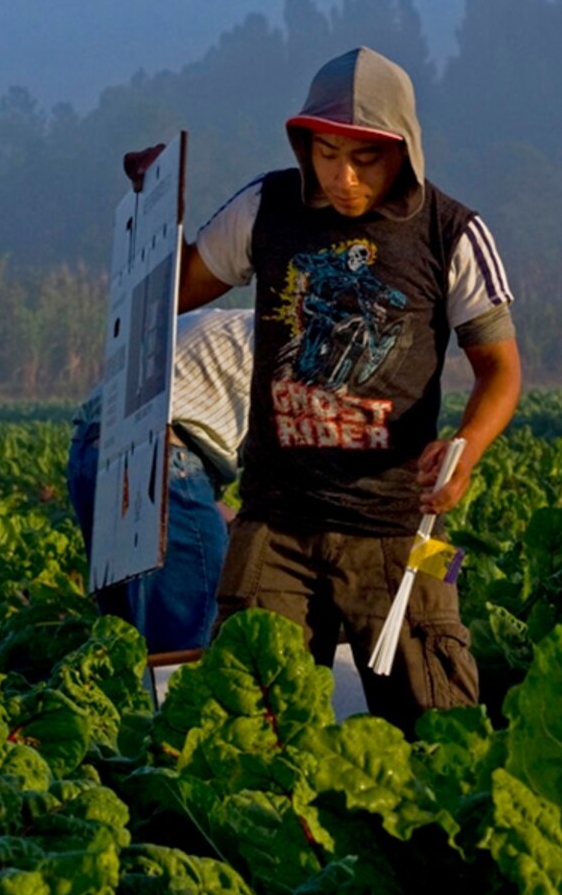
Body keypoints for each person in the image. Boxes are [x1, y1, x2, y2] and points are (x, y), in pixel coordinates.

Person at [176, 44, 522, 728]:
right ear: (305, 144)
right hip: (276, 522)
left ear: (404, 149)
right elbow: (172, 290)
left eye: (364, 159)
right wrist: (149, 221)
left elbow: (501, 370)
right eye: (327, 154)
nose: (343, 178)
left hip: (399, 525)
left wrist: (467, 448)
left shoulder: (450, 232)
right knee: (246, 731)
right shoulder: (267, 208)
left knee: (438, 725)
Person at [66, 306, 250, 654]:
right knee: (188, 643)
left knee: (127, 646)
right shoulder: (300, 357)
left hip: (91, 453)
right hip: (161, 453)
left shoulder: (240, 327)